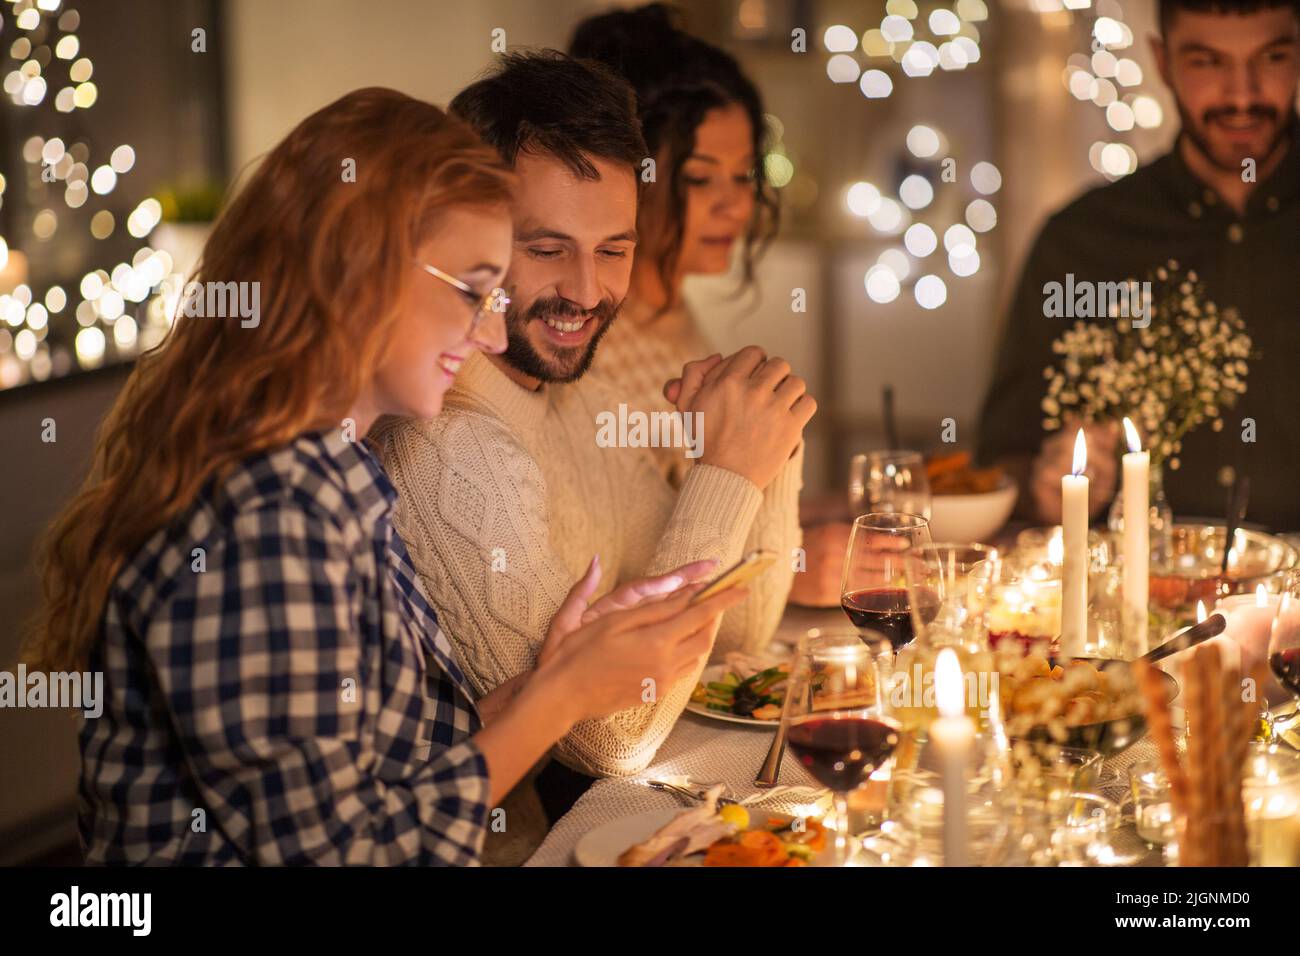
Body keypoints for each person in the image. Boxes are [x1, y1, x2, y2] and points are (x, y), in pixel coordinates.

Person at [26, 89, 744, 865]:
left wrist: (562, 674)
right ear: (357, 273)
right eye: (473, 290)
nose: (494, 332)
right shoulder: (264, 516)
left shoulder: (337, 468)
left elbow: (393, 769)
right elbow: (347, 856)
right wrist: (560, 698)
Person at [372, 52, 814, 783]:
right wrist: (727, 469)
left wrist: (766, 448)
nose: (585, 291)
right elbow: (609, 745)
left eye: (614, 250)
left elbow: (737, 631)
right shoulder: (443, 444)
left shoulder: (586, 394)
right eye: (547, 249)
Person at [979, 0, 1300, 530]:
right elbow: (1001, 464)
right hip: (1138, 601)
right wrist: (1045, 489)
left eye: (1271, 58)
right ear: (1163, 61)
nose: (1242, 94)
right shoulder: (1080, 241)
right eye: (1207, 62)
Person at [569, 3, 851, 606]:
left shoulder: (673, 317)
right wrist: (787, 574)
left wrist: (838, 513)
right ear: (629, 175)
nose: (735, 206)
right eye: (700, 179)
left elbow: (696, 495)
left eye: (744, 176)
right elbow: (608, 569)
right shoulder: (579, 345)